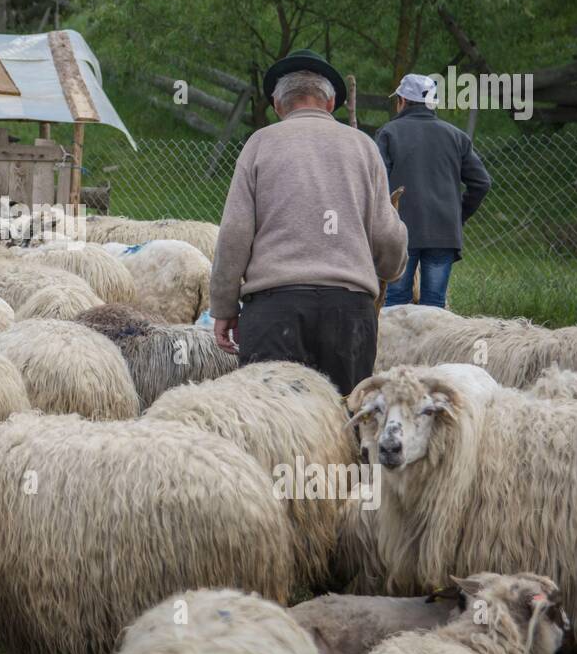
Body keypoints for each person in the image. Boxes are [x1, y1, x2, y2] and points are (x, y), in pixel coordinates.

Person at [210, 49, 407, 395]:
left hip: (275, 310)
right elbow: (387, 236)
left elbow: (235, 233)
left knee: (275, 425)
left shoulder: (259, 144)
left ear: (277, 104)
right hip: (349, 314)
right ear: (330, 104)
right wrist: (393, 269)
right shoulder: (363, 147)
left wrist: (224, 306)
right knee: (345, 422)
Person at [375, 73, 491, 309]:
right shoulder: (456, 136)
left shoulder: (389, 133)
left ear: (403, 101)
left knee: (395, 304)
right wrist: (458, 216)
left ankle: (395, 347)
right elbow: (481, 182)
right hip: (444, 233)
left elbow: (376, 182)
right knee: (435, 307)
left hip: (401, 232)